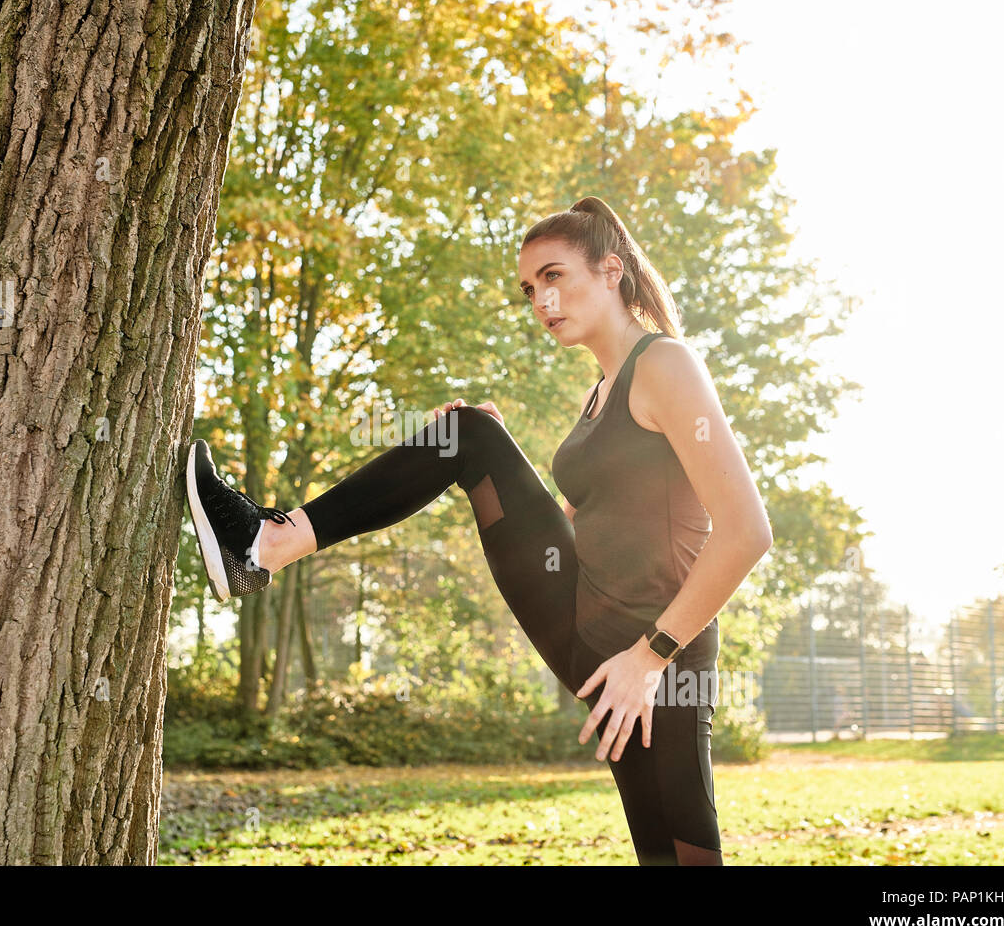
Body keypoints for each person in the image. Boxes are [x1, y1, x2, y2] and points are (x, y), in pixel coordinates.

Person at [185, 196, 773, 865]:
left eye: (554, 276)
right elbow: (587, 523)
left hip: (658, 657)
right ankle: (266, 545)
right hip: (590, 623)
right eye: (530, 289)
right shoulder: (599, 394)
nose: (542, 300)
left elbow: (747, 532)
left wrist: (650, 657)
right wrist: (498, 460)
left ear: (611, 271)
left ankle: (267, 543)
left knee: (678, 850)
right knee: (468, 435)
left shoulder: (666, 365)